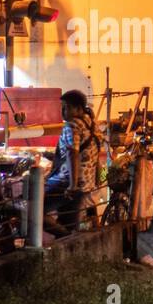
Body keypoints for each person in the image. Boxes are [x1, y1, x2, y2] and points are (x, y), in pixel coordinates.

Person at [44, 89, 102, 235]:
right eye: (62, 107)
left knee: (33, 211)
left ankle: (65, 236)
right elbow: (94, 156)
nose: (63, 111)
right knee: (68, 222)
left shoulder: (71, 126)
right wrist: (96, 181)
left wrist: (72, 184)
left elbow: (72, 153)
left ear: (78, 109)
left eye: (66, 107)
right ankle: (67, 241)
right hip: (85, 185)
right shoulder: (94, 125)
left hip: (66, 183)